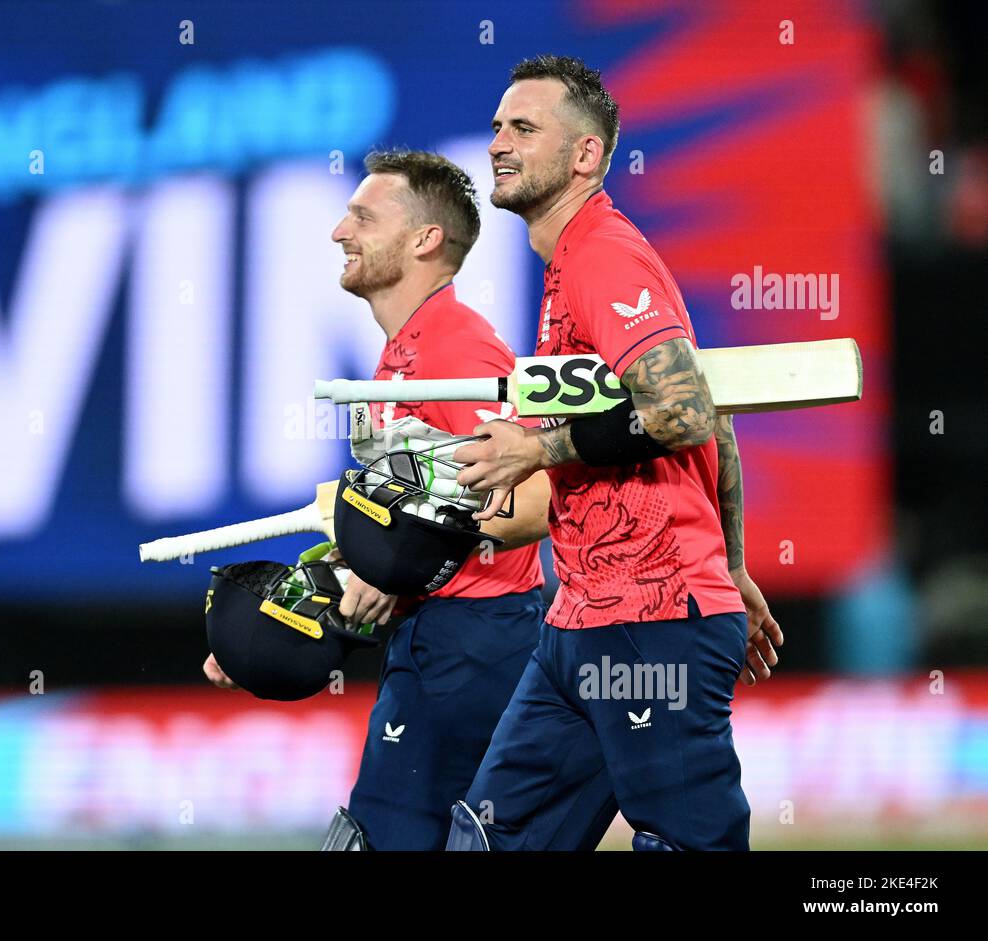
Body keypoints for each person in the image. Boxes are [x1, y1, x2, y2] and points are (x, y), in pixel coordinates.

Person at [449, 56, 783, 851]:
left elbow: (684, 409)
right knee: (492, 841)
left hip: (652, 617)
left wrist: (535, 446)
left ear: (586, 156)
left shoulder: (603, 253)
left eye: (523, 128)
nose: (499, 141)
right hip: (584, 621)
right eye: (497, 125)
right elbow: (716, 414)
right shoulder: (571, 265)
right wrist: (731, 564)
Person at [205, 150, 551, 850]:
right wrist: (290, 612)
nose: (339, 230)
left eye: (363, 215)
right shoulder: (401, 357)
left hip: (478, 642)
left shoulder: (457, 349)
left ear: (425, 239)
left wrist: (390, 566)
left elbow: (541, 497)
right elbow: (415, 519)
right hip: (446, 640)